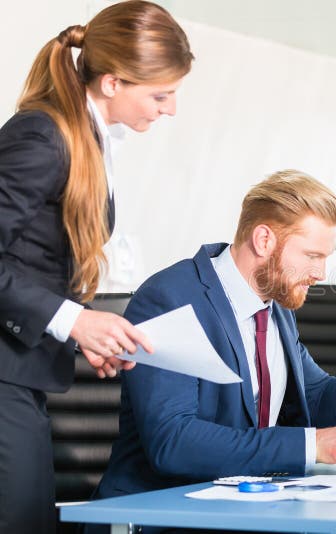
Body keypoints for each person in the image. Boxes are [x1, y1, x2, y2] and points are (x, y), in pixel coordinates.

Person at [92, 170, 336, 514]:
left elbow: (316, 393)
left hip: (248, 509)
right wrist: (312, 445)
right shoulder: (169, 298)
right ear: (263, 240)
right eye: (311, 255)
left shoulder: (274, 305)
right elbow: (173, 441)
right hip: (159, 514)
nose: (321, 273)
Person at [0, 2, 193, 532]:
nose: (171, 108)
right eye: (160, 94)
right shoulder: (41, 137)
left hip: (21, 373)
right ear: (112, 83)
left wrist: (82, 330)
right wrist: (73, 320)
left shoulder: (85, 139)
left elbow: (28, 260)